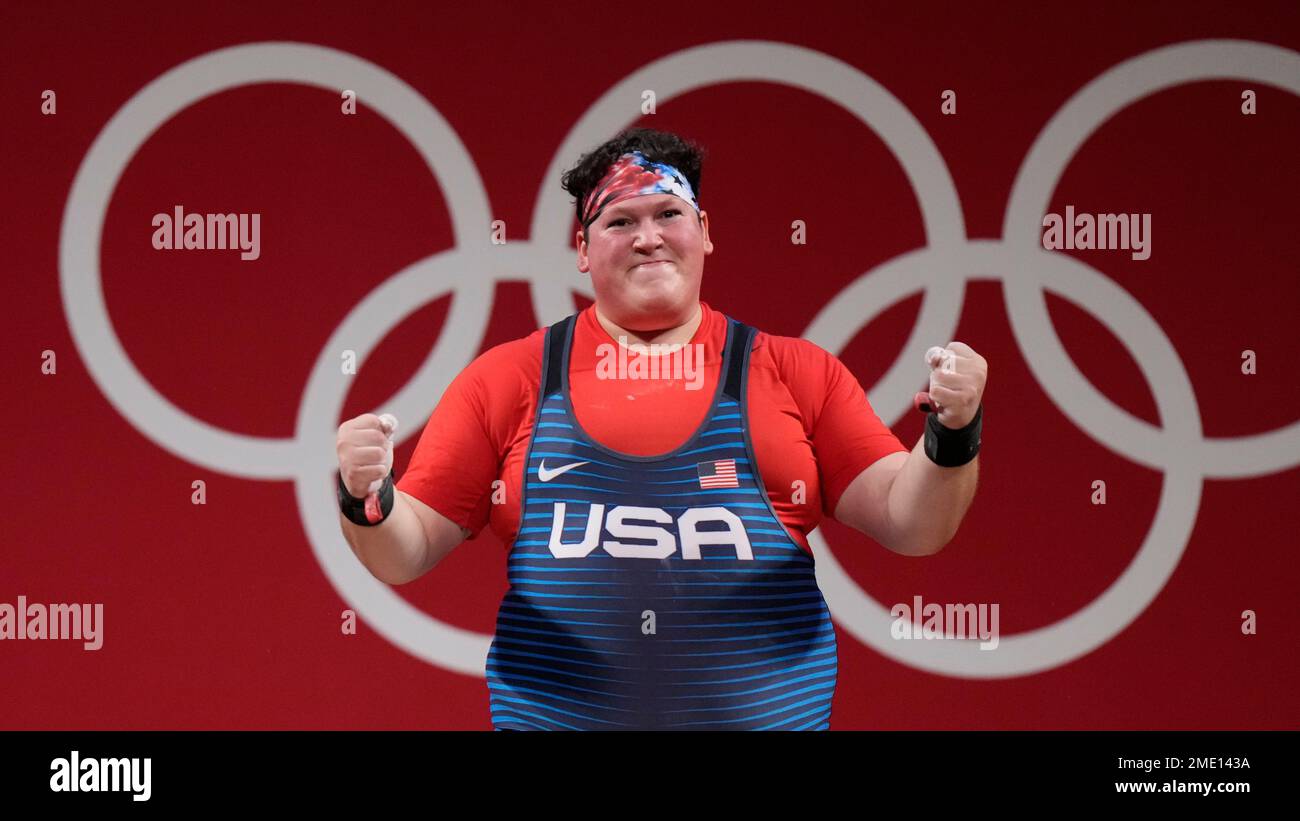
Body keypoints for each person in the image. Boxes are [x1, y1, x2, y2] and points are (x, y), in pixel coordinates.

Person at [336, 127, 988, 730]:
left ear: (704, 230)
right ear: (584, 250)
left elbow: (915, 524)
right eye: (620, 220)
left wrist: (953, 433)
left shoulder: (795, 373)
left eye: (667, 214)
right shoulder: (507, 379)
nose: (648, 236)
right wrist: (365, 496)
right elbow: (405, 551)